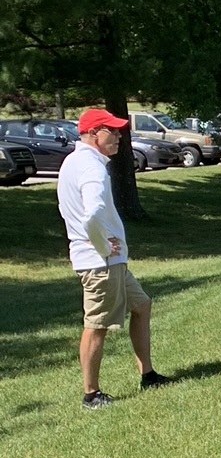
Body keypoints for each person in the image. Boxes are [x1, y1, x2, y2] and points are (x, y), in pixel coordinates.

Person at [56, 108, 169, 408]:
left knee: (141, 305)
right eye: (113, 130)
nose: (119, 136)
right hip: (100, 262)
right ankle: (91, 394)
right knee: (97, 325)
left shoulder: (73, 161)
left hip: (106, 260)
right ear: (94, 134)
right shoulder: (91, 167)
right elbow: (91, 213)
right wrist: (103, 246)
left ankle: (148, 375)